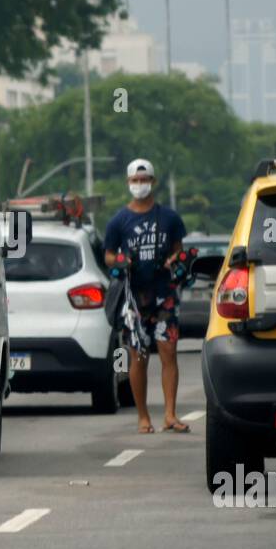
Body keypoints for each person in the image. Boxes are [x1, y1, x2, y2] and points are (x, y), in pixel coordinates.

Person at [103, 158, 189, 435]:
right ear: (128, 182)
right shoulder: (119, 221)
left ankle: (170, 414)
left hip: (165, 294)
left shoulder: (169, 218)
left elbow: (179, 249)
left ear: (152, 181)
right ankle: (143, 417)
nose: (140, 185)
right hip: (134, 298)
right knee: (138, 356)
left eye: (144, 180)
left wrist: (174, 260)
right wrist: (120, 260)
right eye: (135, 180)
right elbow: (107, 256)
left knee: (169, 352)